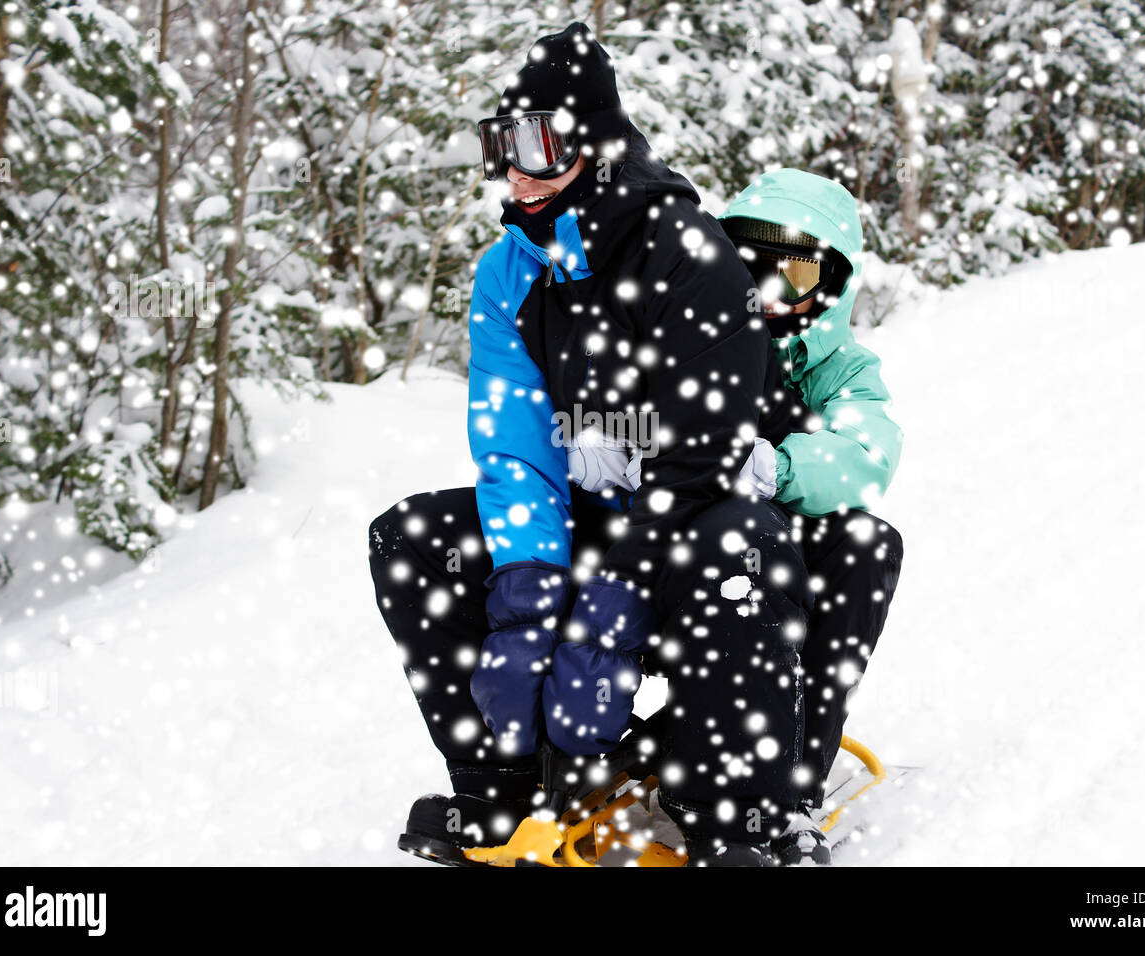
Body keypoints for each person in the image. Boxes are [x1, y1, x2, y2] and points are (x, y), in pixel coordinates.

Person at [369, 21, 898, 866]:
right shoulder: (523, 269)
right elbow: (524, 439)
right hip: (630, 520)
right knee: (417, 538)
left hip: (732, 542)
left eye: (794, 274)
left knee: (853, 543)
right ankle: (505, 783)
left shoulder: (822, 358)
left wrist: (777, 466)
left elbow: (863, 454)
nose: (767, 287)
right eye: (502, 144)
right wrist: (529, 587)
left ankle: (763, 797)